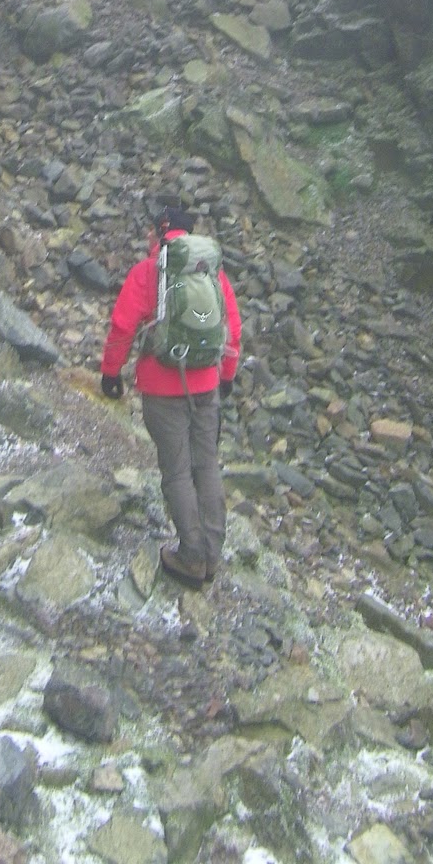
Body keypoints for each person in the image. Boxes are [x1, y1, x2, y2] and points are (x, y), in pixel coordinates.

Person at [99, 198, 241, 588]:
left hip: (163, 390)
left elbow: (122, 328)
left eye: (150, 229)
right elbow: (232, 327)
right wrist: (226, 375)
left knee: (177, 471)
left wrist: (111, 373)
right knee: (206, 465)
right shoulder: (211, 271)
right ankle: (212, 555)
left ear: (160, 231)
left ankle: (191, 557)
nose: (147, 235)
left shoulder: (148, 272)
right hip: (207, 384)